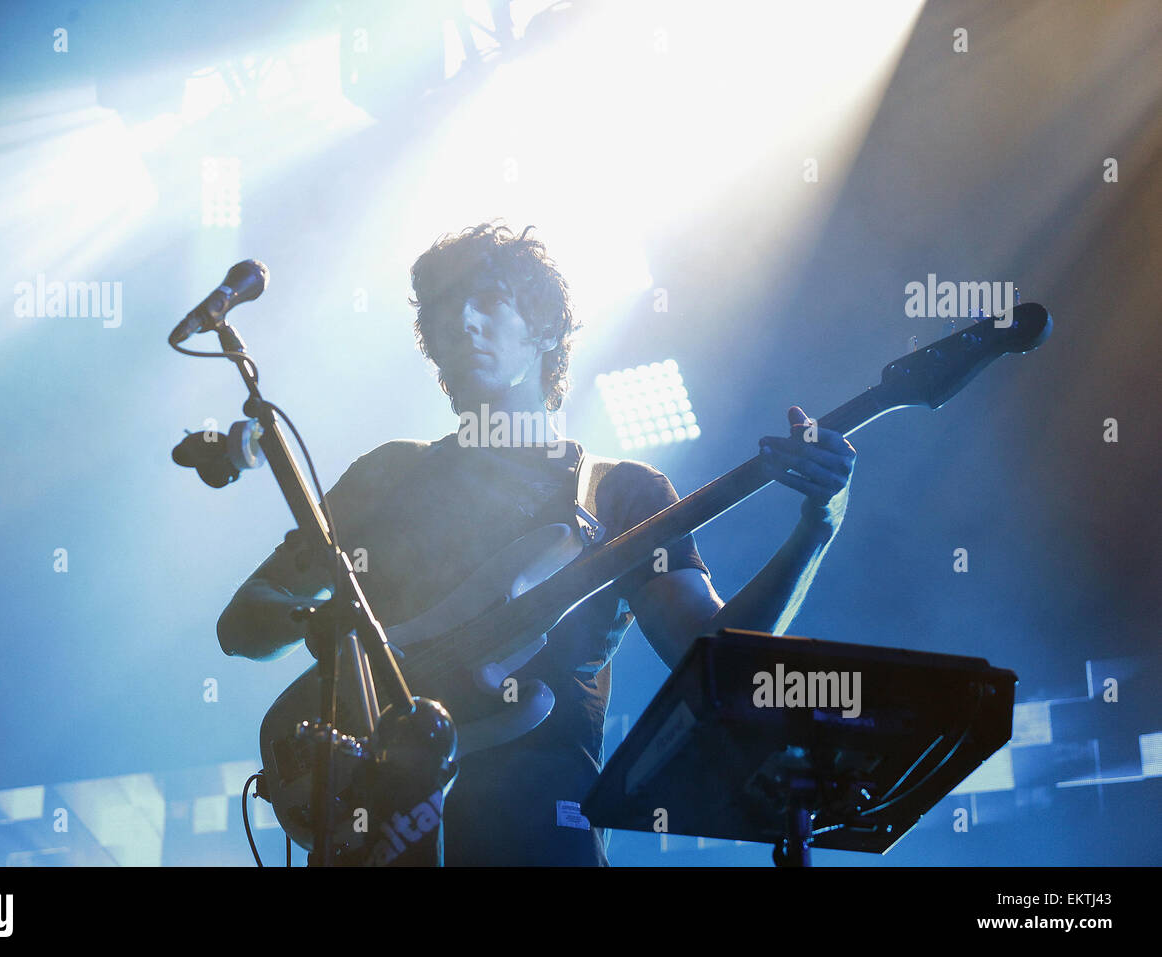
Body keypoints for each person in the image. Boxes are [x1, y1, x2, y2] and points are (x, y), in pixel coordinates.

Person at [216, 222, 856, 865]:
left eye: (488, 300)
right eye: (443, 309)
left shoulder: (618, 495)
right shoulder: (386, 476)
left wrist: (814, 528)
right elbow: (242, 621)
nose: (462, 321)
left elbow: (717, 661)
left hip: (538, 838)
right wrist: (319, 622)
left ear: (546, 330)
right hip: (378, 832)